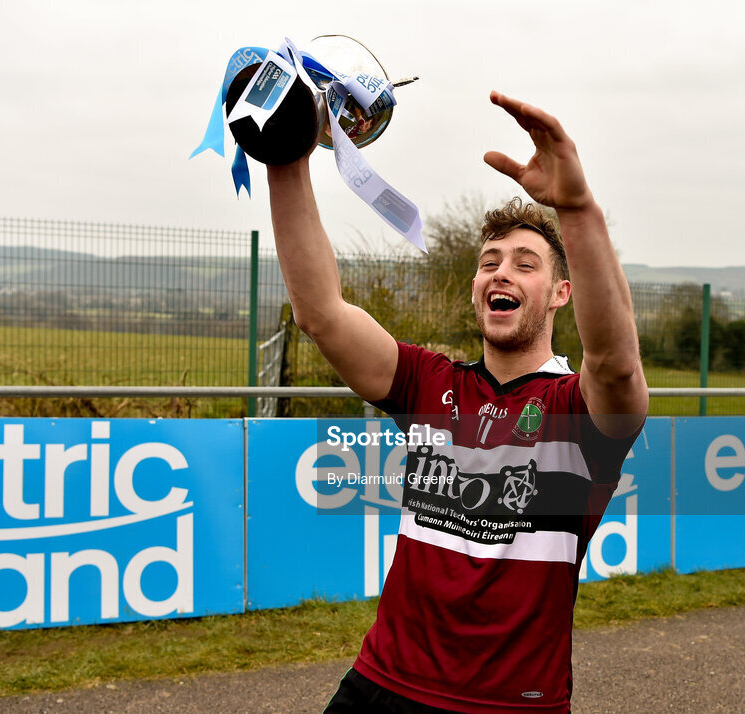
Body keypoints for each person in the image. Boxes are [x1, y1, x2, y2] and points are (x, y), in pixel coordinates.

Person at [266, 91, 648, 713]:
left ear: (559, 294)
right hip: (383, 683)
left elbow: (617, 361)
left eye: (526, 265)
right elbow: (322, 314)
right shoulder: (428, 382)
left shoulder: (579, 412)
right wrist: (284, 155)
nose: (501, 272)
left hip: (510, 702)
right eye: (489, 262)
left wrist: (576, 209)